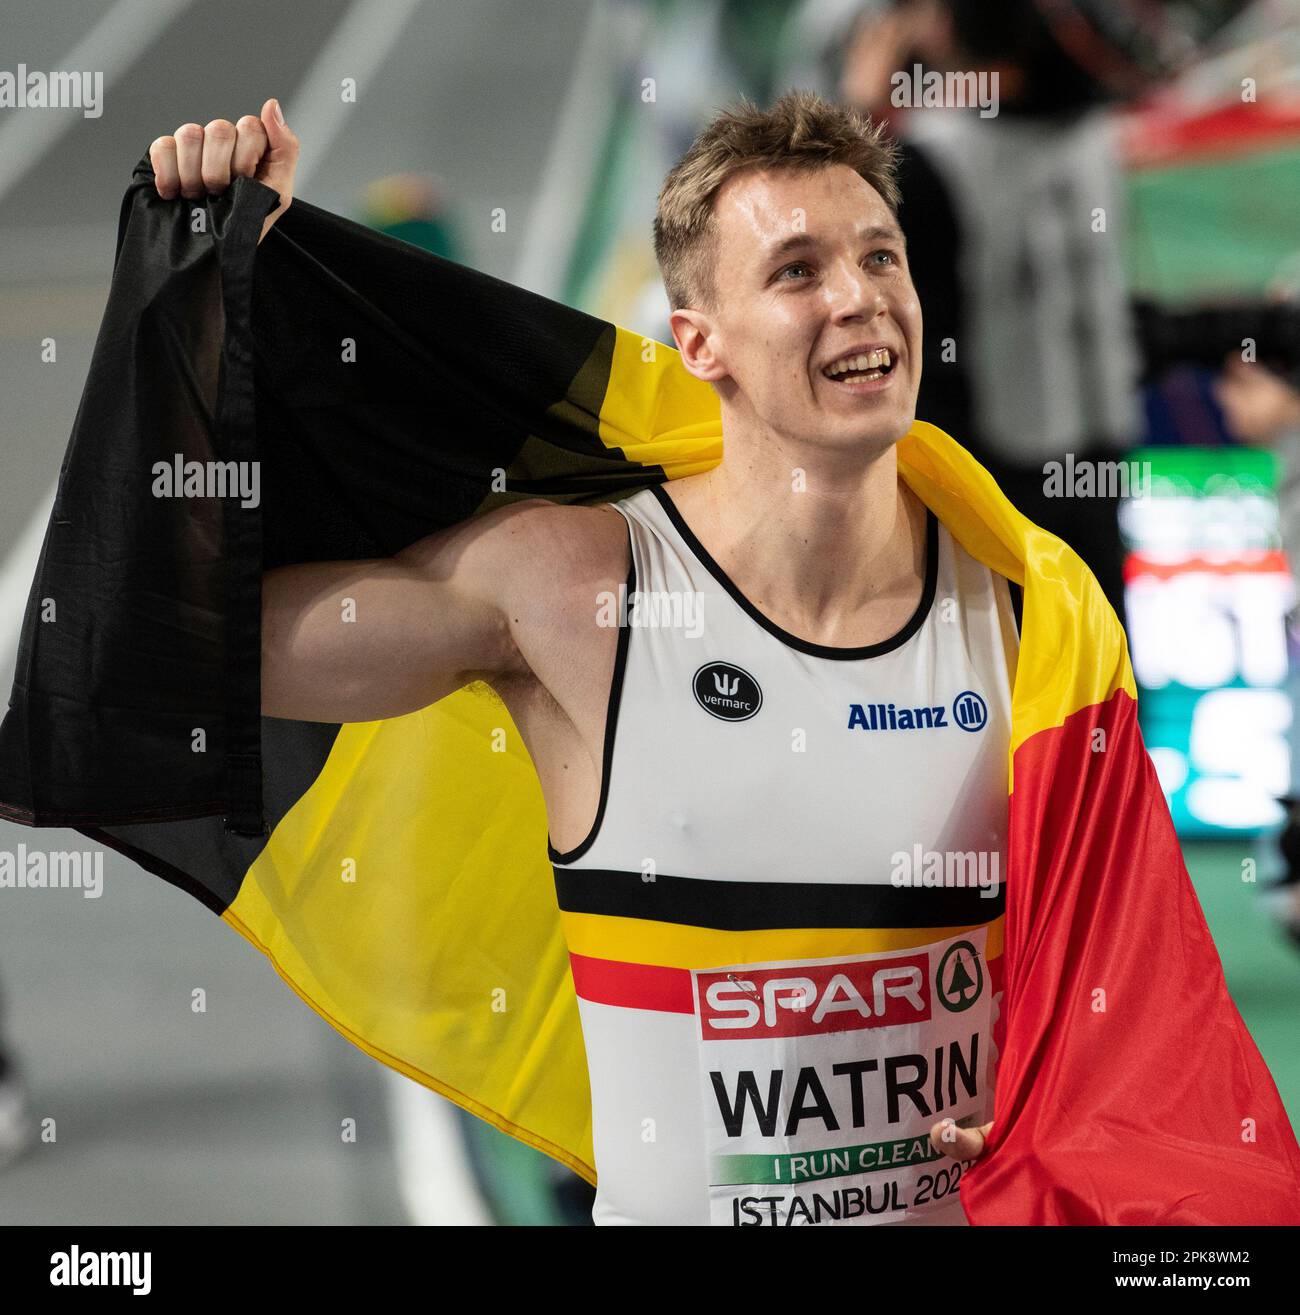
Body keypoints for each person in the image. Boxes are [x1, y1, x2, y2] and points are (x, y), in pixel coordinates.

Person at [148, 92, 1018, 1227]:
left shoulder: (1016, 598)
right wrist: (209, 304)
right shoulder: (580, 591)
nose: (858, 296)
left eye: (877, 256)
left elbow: (1107, 965)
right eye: (797, 271)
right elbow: (186, 643)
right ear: (698, 341)